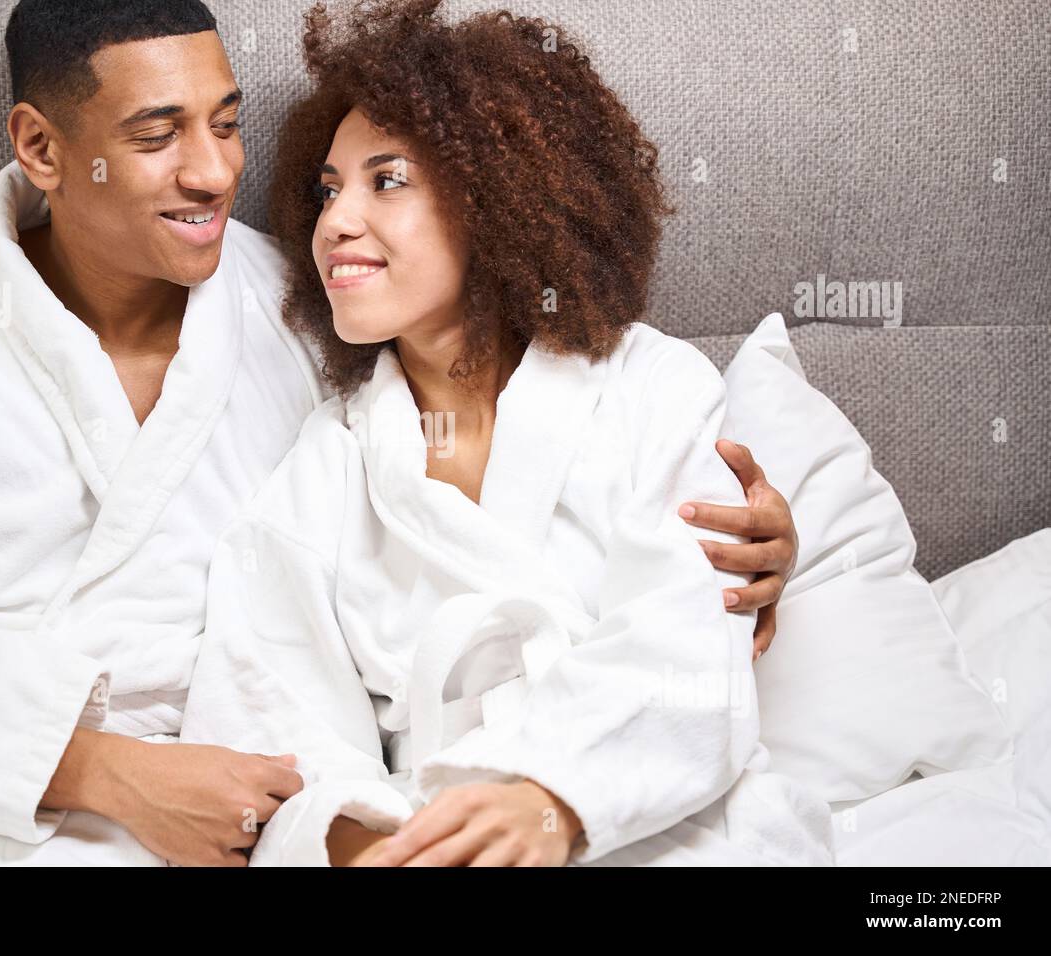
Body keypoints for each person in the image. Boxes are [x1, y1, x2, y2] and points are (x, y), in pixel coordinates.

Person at [0, 0, 797, 866]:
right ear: (42, 147)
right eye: (157, 136)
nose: (212, 173)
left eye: (227, 122)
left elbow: (640, 582)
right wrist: (100, 767)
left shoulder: (304, 312)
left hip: (272, 804)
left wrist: (756, 558)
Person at [179, 0, 832, 866]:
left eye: (387, 180)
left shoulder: (652, 388)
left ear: (500, 196)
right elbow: (272, 712)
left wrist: (550, 802)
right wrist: (380, 849)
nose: (334, 222)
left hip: (655, 823)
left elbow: (688, 648)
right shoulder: (327, 465)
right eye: (328, 189)